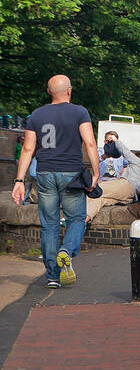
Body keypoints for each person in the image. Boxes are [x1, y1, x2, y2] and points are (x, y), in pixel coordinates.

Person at [10, 75, 99, 288]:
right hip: (71, 174)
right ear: (69, 90)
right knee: (76, 219)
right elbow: (90, 142)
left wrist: (19, 180)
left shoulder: (37, 115)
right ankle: (66, 250)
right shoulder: (79, 112)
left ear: (50, 92)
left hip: (45, 173)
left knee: (49, 224)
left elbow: (28, 149)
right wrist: (96, 172)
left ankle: (52, 276)